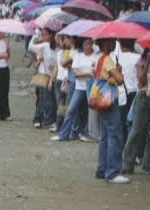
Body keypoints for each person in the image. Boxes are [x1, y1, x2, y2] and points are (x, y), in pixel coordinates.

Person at [92, 38, 128, 183]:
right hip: (109, 99)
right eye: (111, 41)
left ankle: (102, 168)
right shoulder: (107, 59)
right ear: (104, 43)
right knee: (115, 133)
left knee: (105, 135)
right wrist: (117, 74)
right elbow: (120, 79)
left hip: (100, 98)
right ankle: (112, 171)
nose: (113, 44)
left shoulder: (99, 58)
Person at [53, 36, 96, 142]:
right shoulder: (78, 55)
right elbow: (75, 72)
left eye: (91, 44)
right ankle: (64, 134)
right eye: (86, 44)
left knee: (89, 111)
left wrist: (86, 73)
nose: (89, 46)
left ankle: (86, 133)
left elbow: (95, 72)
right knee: (71, 109)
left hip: (91, 87)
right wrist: (88, 73)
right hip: (79, 86)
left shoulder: (96, 57)